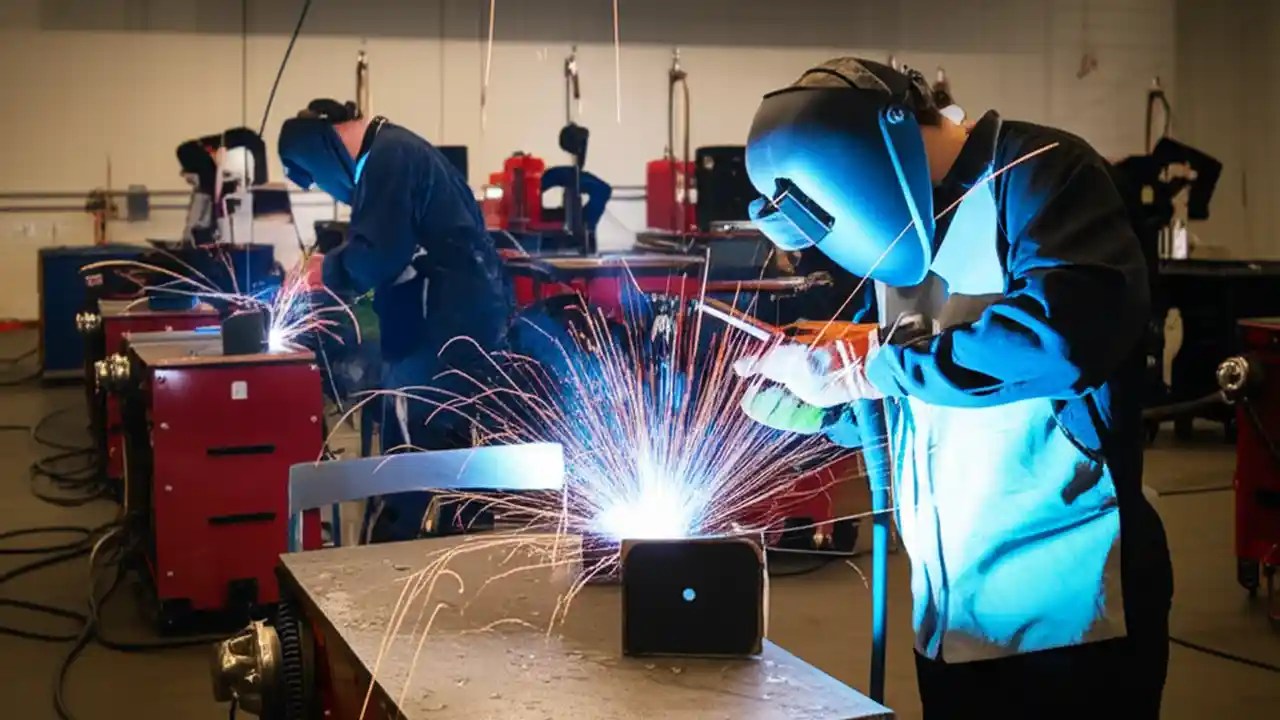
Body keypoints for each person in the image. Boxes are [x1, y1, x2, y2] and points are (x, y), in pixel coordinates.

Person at [735, 58, 1172, 719]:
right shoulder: (900, 227)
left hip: (1072, 612)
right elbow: (924, 390)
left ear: (870, 156)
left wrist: (870, 366)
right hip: (954, 618)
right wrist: (829, 407)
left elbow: (1062, 337)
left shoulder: (1040, 173)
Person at [279, 99, 512, 543]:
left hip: (441, 331)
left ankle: (401, 563)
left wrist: (322, 271)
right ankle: (445, 549)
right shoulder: (396, 150)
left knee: (414, 459)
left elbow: (377, 256)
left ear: (320, 149)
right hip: (454, 324)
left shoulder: (389, 156)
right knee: (448, 454)